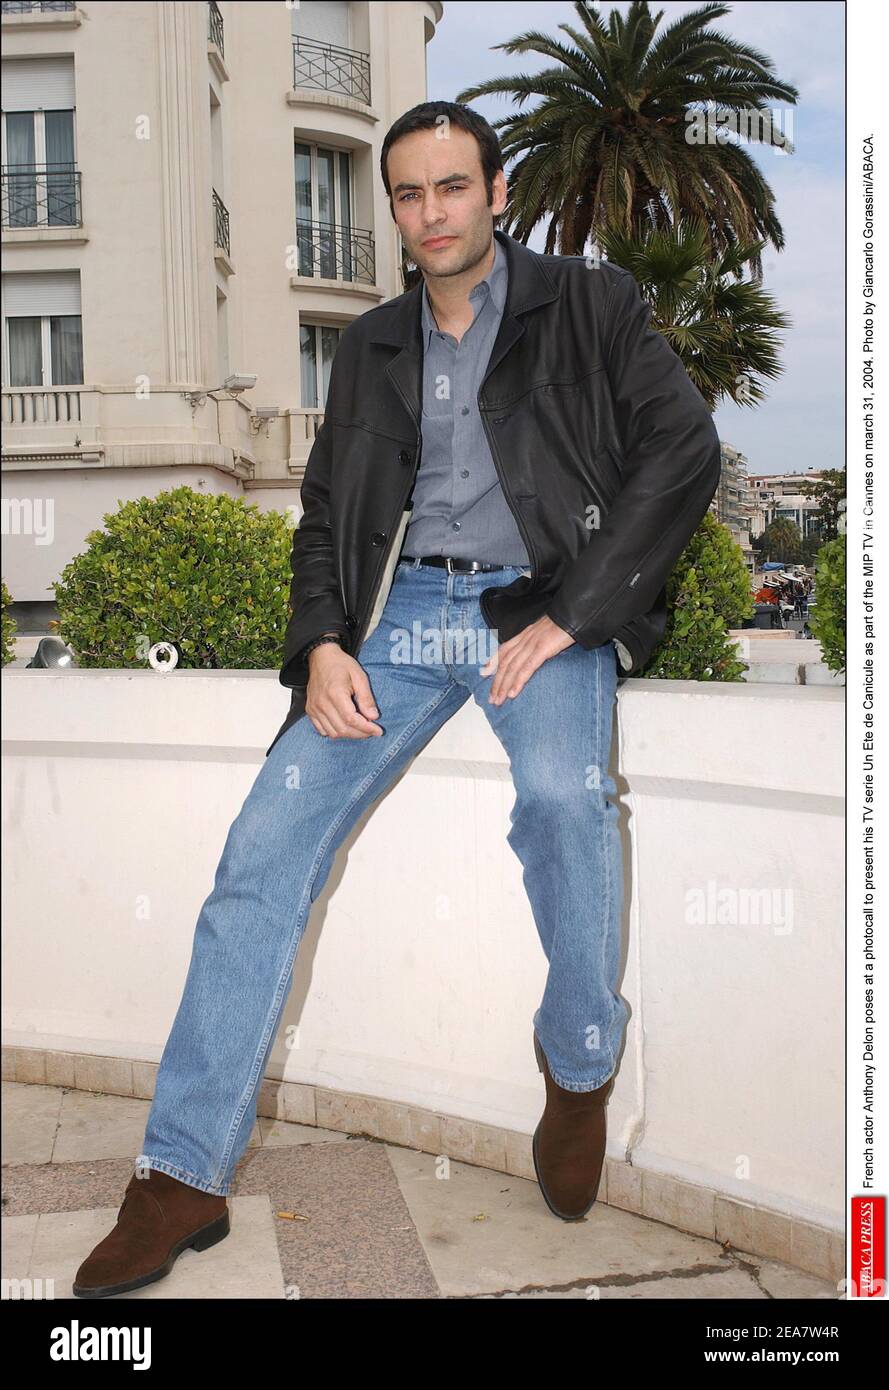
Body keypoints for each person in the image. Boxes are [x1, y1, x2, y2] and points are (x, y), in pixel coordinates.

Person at [74, 101, 721, 1298]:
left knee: (564, 802)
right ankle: (180, 1174)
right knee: (260, 851)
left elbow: (682, 453)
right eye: (409, 196)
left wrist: (575, 614)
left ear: (495, 190)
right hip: (398, 616)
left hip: (540, 605)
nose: (430, 215)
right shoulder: (371, 343)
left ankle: (578, 1066)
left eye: (451, 189)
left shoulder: (590, 306)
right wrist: (321, 641)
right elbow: (327, 512)